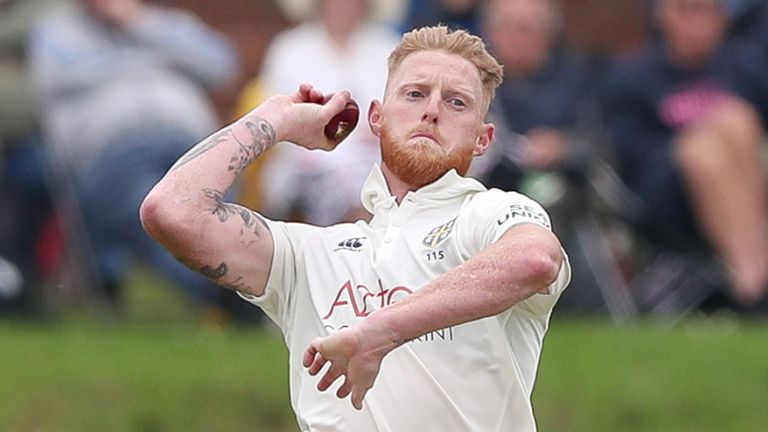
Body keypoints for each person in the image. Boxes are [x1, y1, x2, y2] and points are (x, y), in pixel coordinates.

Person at [141, 25, 571, 431]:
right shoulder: (310, 255)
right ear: (377, 118)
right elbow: (172, 212)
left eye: (457, 102)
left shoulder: (491, 214)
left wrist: (379, 332)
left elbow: (535, 260)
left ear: (483, 139)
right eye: (415, 94)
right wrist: (274, 121)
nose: (432, 110)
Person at [28, 0, 246, 316]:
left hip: (191, 140)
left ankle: (232, 285)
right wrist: (156, 58)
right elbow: (62, 73)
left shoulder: (163, 23)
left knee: (216, 207)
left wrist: (140, 24)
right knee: (155, 211)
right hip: (113, 147)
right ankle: (226, 291)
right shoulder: (58, 31)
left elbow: (221, 64)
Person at [601, 0, 768, 310]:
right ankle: (752, 283)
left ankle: (756, 264)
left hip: (739, 189)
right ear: (665, 18)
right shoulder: (633, 77)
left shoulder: (738, 70)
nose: (701, 24)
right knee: (701, 150)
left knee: (737, 120)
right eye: (690, 12)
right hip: (662, 194)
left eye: (710, 13)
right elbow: (627, 152)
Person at [257, 0, 400, 225]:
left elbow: (398, 117)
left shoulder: (389, 48)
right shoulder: (289, 49)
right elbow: (276, 120)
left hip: (374, 160)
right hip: (305, 162)